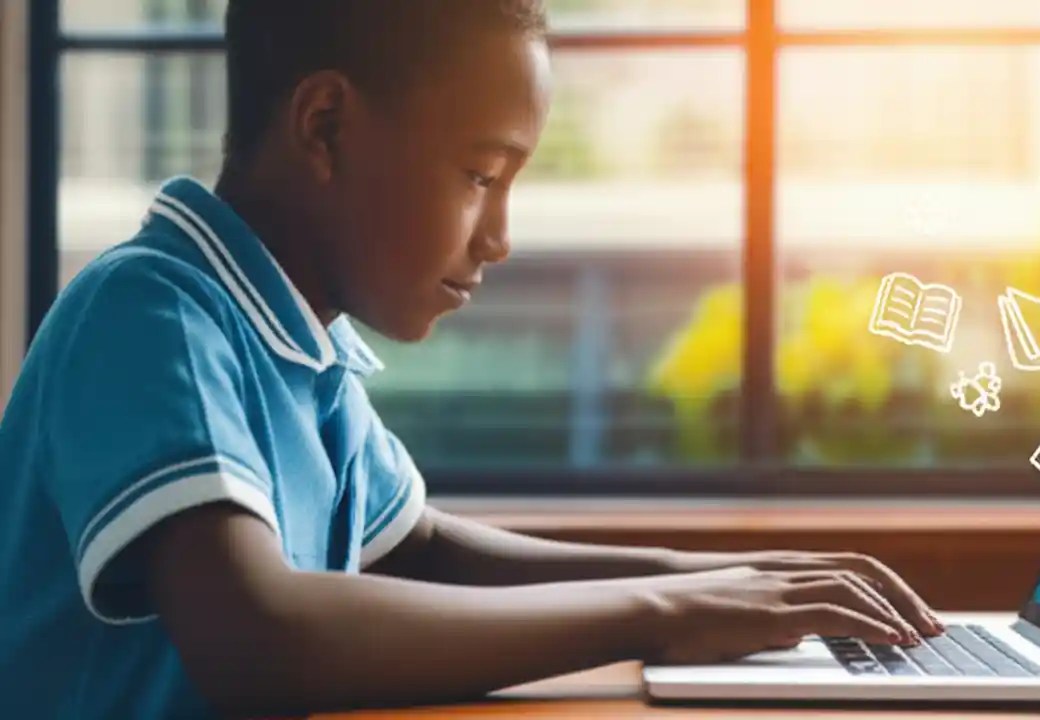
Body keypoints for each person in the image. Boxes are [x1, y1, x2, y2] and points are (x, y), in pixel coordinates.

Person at [0, 1, 942, 716]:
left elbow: (419, 550)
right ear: (325, 127)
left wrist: (711, 578)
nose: (499, 238)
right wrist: (661, 608)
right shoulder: (150, 312)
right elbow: (256, 636)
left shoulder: (304, 343)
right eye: (482, 176)